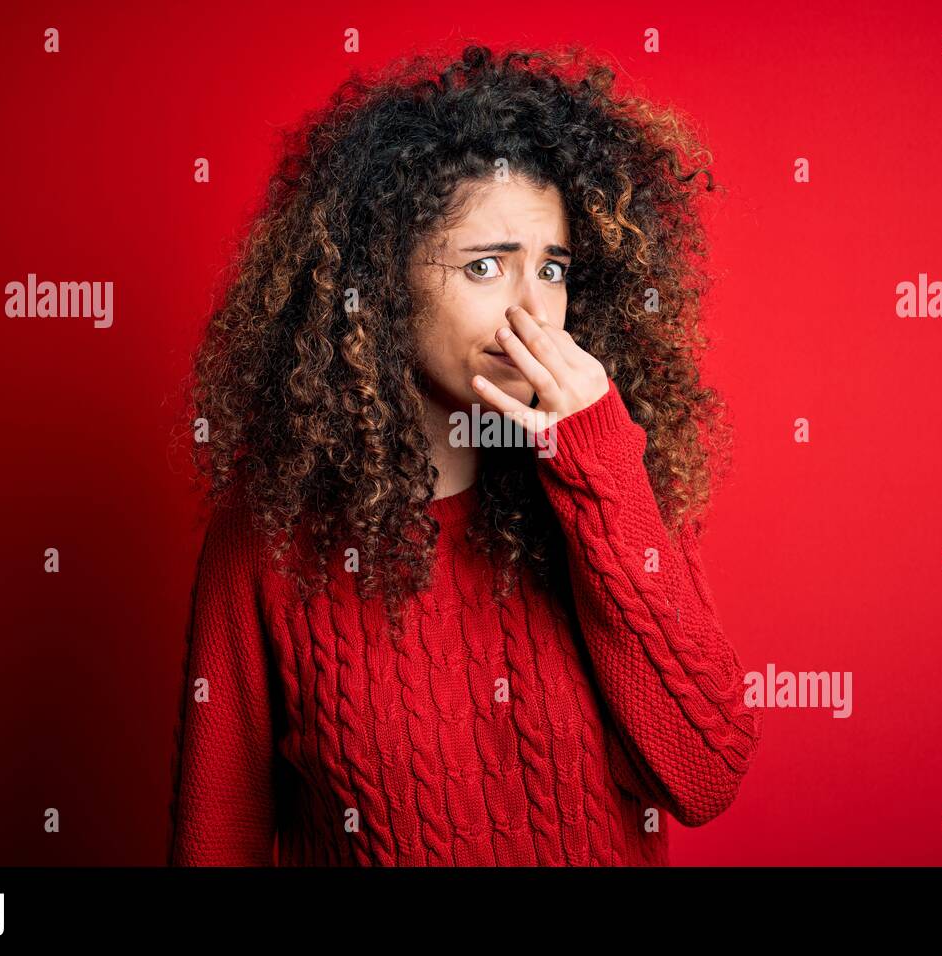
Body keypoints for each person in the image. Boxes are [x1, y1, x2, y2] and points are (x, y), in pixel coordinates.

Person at [167, 43, 763, 866]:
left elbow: (703, 774)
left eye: (551, 268)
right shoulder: (265, 538)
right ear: (380, 285)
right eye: (486, 266)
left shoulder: (609, 497)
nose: (534, 312)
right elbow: (214, 841)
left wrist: (599, 467)